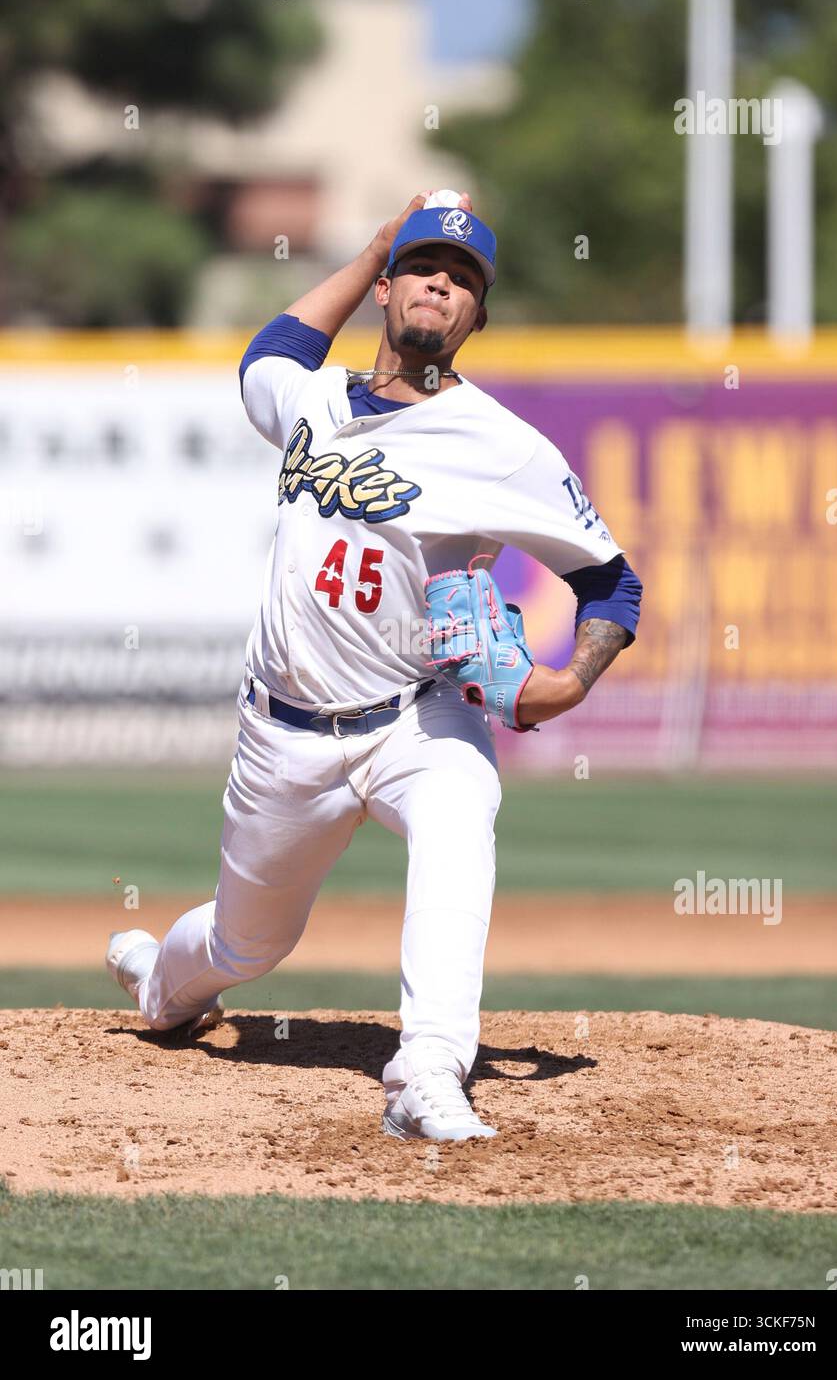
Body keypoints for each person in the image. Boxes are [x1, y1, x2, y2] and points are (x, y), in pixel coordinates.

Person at [106, 191, 642, 1142]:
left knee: (462, 810)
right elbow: (265, 353)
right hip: (285, 734)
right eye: (428, 266)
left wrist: (569, 681)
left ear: (477, 317)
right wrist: (373, 244)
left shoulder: (503, 446)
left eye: (468, 279)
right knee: (246, 942)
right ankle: (161, 983)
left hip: (417, 717)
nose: (445, 282)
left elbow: (611, 580)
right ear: (387, 288)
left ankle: (429, 1068)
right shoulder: (309, 400)